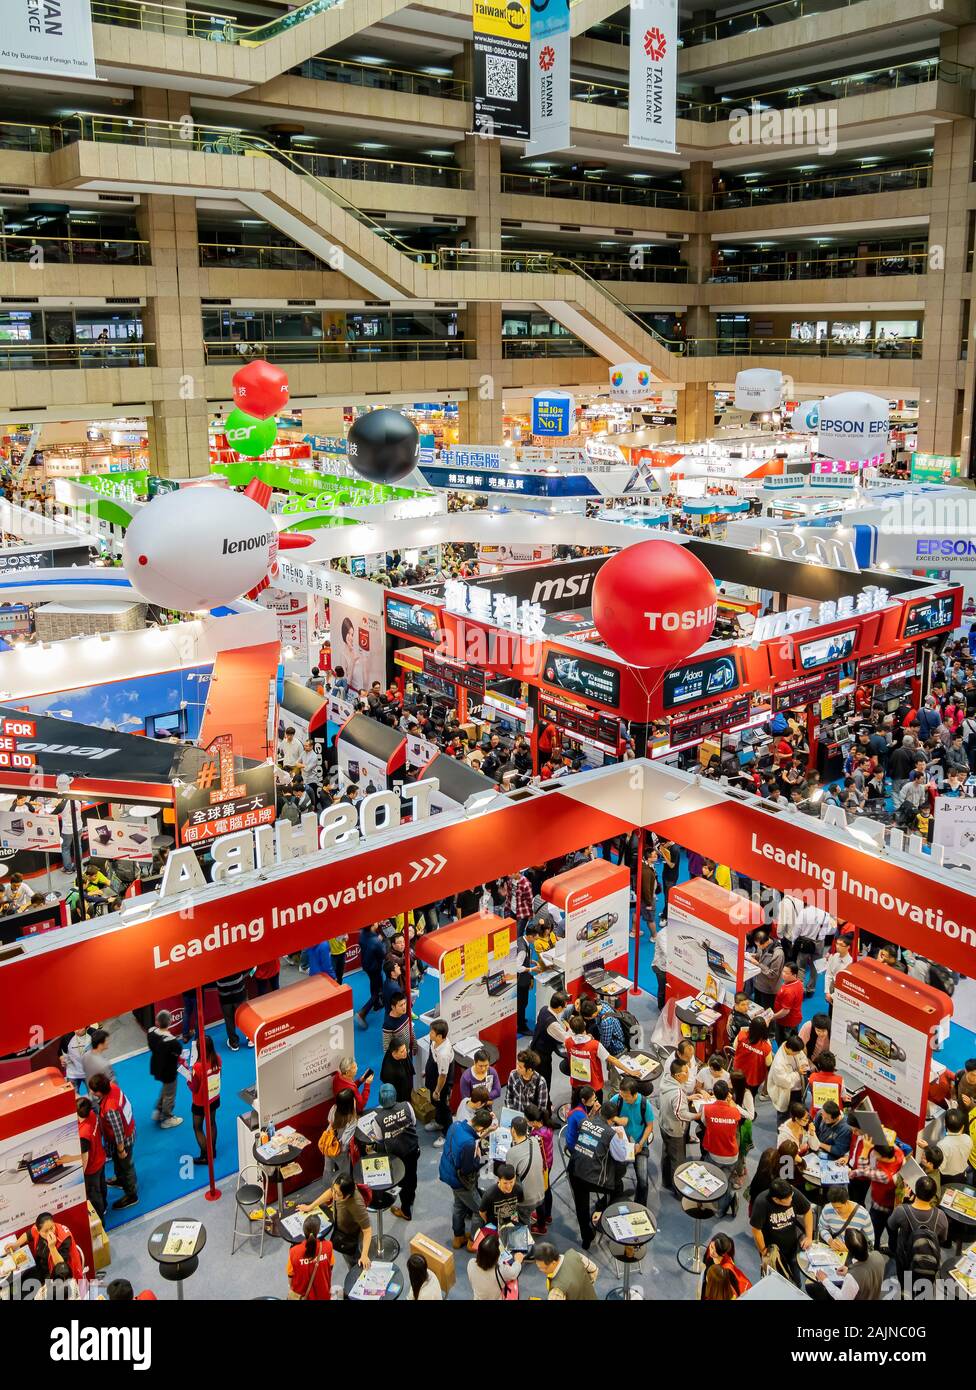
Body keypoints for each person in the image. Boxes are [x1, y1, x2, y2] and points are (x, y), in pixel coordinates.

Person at [567, 1100, 629, 1249]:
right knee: (618, 1187)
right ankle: (603, 1213)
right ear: (613, 1118)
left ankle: (586, 1238)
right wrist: (620, 1138)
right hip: (593, 1178)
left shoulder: (585, 1122)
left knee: (581, 1207)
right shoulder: (611, 1133)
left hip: (574, 1171)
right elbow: (621, 1156)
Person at [439, 1106, 492, 1249]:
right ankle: (473, 1242)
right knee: (479, 1210)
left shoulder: (455, 1125)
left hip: (448, 1172)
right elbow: (468, 1168)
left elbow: (469, 1136)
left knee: (459, 1205)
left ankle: (458, 1237)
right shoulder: (468, 1144)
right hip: (461, 1181)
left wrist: (487, 1131)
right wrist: (478, 1157)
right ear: (480, 1127)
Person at [750, 1177, 814, 1284]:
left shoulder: (791, 1193)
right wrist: (763, 1251)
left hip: (792, 1246)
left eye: (791, 1197)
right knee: (774, 1280)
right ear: (776, 1199)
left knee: (796, 1278)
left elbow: (807, 1210)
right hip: (772, 1250)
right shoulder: (761, 1203)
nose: (791, 1200)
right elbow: (756, 1230)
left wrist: (809, 1236)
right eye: (787, 1199)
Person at [298, 1174, 372, 1267]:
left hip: (351, 1236)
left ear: (347, 1196)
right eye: (334, 1190)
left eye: (337, 1194)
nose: (333, 1195)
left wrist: (364, 1255)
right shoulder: (338, 1188)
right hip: (341, 1228)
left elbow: (367, 1230)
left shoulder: (356, 1205)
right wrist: (310, 1207)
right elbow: (330, 1192)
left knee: (353, 1260)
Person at [88, 1072, 138, 1209]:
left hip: (123, 1140)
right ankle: (120, 1180)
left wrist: (121, 1150)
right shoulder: (112, 1086)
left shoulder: (110, 1108)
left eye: (93, 1090)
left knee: (126, 1165)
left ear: (100, 1091)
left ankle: (131, 1194)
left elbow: (118, 1131)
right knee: (118, 1161)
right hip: (123, 1134)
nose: (91, 1092)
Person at [373, 1082, 420, 1222]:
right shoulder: (407, 1105)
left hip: (397, 1156)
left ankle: (406, 1210)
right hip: (413, 1148)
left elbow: (379, 1140)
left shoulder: (377, 1119)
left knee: (402, 1181)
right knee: (412, 1175)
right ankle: (411, 1197)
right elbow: (414, 1122)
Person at [3, 1212, 84, 1285]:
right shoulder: (36, 1229)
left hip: (63, 1273)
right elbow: (28, 1234)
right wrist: (16, 1244)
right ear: (38, 1231)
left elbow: (61, 1267)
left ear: (53, 1223)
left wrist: (52, 1247)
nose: (50, 1233)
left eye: (52, 1228)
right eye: (45, 1231)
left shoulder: (64, 1238)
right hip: (42, 1267)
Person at [610, 1076, 654, 1206]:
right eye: (621, 1095)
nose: (623, 1098)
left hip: (639, 1145)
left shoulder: (644, 1104)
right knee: (614, 1176)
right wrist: (618, 1120)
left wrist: (640, 1144)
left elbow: (650, 1126)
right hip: (621, 1144)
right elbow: (607, 1115)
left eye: (626, 1096)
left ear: (635, 1094)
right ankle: (615, 1200)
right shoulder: (617, 1099)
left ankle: (639, 1206)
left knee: (643, 1181)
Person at [658, 1056, 698, 1189]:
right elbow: (680, 1114)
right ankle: (679, 1191)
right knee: (678, 1162)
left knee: (666, 1154)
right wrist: (697, 1115)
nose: (688, 1075)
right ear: (678, 1076)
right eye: (686, 1072)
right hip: (675, 1130)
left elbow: (672, 1100)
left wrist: (688, 1098)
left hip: (663, 1124)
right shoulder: (678, 1093)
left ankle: (666, 1182)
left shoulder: (666, 1080)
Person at [858, 1139, 906, 1249]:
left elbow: (862, 1171)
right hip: (894, 1205)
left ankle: (874, 1251)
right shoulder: (899, 1154)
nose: (873, 1153)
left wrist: (865, 1149)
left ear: (882, 1156)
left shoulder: (884, 1175)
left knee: (874, 1233)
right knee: (893, 1232)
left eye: (875, 1152)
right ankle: (893, 1251)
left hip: (880, 1208)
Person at [813, 1229, 886, 1301]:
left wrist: (825, 1280)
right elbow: (869, 1273)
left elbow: (841, 1298)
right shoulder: (878, 1255)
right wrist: (849, 1270)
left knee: (812, 1288)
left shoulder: (852, 1278)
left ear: (849, 1251)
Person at [188, 1034, 221, 1165]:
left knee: (197, 1127)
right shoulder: (217, 1059)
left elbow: (194, 1087)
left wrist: (188, 1078)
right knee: (212, 1123)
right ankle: (212, 1151)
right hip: (214, 1097)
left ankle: (205, 1156)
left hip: (200, 1102)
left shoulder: (197, 1066)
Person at [147, 1010, 183, 1129]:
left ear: (157, 1021)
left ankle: (158, 1110)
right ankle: (167, 1118)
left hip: (156, 1067)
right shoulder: (173, 1042)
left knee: (166, 1089)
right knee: (170, 1094)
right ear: (170, 1022)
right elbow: (178, 1053)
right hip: (169, 1072)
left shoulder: (151, 1032)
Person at [507, 1115, 546, 1226]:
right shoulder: (534, 1140)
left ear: (513, 1130)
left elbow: (509, 1177)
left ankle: (526, 1241)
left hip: (526, 1201)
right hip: (541, 1193)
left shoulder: (512, 1152)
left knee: (523, 1226)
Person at [286, 1215, 334, 1300]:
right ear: (318, 1231)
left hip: (302, 1296)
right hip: (323, 1294)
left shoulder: (294, 1251)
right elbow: (330, 1268)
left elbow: (290, 1276)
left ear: (303, 1231)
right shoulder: (328, 1246)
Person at [530, 989, 570, 1092]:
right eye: (565, 1006)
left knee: (536, 1081)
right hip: (542, 1057)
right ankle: (546, 1104)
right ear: (560, 1008)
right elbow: (566, 1039)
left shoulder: (543, 1010)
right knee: (544, 1082)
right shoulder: (553, 1024)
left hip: (534, 1048)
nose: (565, 1008)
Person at [768, 1033, 811, 1125]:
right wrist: (798, 1073)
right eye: (797, 1052)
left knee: (798, 1113)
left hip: (798, 1089)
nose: (799, 1053)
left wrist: (804, 1065)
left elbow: (803, 1058)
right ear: (790, 1049)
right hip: (786, 1092)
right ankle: (782, 1136)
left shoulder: (793, 1048)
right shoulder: (779, 1063)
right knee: (783, 1115)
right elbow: (784, 1081)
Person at [424, 1018, 455, 1145]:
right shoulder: (435, 1042)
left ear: (440, 1036)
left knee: (443, 1106)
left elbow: (443, 1076)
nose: (429, 1034)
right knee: (436, 1104)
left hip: (442, 1084)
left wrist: (437, 1090)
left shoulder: (444, 1054)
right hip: (433, 1076)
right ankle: (438, 1121)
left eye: (431, 1032)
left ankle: (447, 1132)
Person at [532, 1241, 599, 1300]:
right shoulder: (574, 1254)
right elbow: (594, 1270)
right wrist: (586, 1286)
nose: (540, 1270)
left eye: (543, 1268)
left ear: (553, 1263)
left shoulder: (557, 1290)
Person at [77, 1095, 107, 1219]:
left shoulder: (83, 1134)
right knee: (102, 1185)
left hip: (91, 1169)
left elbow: (85, 1157)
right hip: (100, 1158)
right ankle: (104, 1207)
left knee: (94, 1195)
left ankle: (100, 1218)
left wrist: (81, 1176)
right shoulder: (92, 1114)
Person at [467, 1232, 522, 1300]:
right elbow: (514, 1273)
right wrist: (518, 1261)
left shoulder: (471, 1263)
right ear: (497, 1257)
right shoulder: (501, 1270)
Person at [701, 1233, 751, 1299]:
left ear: (723, 1254)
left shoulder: (727, 1269)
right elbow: (705, 1260)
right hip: (708, 1285)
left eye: (716, 1251)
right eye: (712, 1247)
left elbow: (735, 1289)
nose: (711, 1252)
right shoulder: (713, 1244)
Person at [355, 924, 387, 1028]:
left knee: (375, 984)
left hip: (367, 965)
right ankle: (362, 1013)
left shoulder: (362, 934)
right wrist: (381, 942)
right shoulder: (375, 940)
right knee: (377, 991)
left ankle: (377, 1004)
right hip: (375, 967)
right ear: (373, 925)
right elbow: (383, 953)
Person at [733, 1016, 773, 1097]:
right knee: (751, 1097)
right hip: (753, 1078)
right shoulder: (766, 1047)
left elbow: (734, 1047)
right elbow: (768, 1063)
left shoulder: (741, 1035)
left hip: (738, 1072)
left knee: (737, 1093)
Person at [480, 1164, 525, 1230]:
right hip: (494, 1223)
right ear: (498, 1180)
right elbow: (482, 1212)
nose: (509, 1186)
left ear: (515, 1178)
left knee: (522, 1230)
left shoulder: (519, 1189)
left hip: (509, 1222)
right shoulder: (489, 1194)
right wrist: (487, 1222)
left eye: (511, 1182)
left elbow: (519, 1203)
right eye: (505, 1183)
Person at [505, 1049, 549, 1115]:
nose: (517, 1068)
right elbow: (508, 1097)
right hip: (514, 1115)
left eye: (520, 1067)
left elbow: (542, 1108)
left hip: (531, 1120)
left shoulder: (541, 1083)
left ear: (529, 1070)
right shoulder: (513, 1074)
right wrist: (511, 1113)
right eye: (517, 1064)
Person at [771, 961, 805, 1044]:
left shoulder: (789, 991)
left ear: (794, 975)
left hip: (786, 1023)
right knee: (792, 1042)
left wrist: (772, 1017)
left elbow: (785, 1011)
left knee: (784, 1044)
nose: (783, 974)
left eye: (786, 973)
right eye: (783, 971)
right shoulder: (798, 983)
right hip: (794, 1019)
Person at [515, 923, 540, 1034]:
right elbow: (518, 967)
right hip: (521, 980)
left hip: (523, 979)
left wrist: (531, 961)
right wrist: (532, 969)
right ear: (530, 936)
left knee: (522, 1003)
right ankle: (521, 1027)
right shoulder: (522, 950)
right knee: (522, 1003)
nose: (535, 941)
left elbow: (521, 960)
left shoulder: (521, 939)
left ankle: (520, 1019)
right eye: (535, 938)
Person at [215, 971, 248, 1051]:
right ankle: (250, 1039)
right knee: (245, 1017)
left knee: (229, 1020)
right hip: (239, 995)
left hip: (225, 999)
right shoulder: (235, 961)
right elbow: (248, 970)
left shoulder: (216, 968)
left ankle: (234, 1043)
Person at [380, 1037, 414, 1103]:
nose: (406, 1052)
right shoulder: (389, 1071)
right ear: (394, 1053)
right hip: (399, 1097)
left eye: (405, 1049)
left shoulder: (403, 1055)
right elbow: (391, 1091)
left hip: (406, 1088)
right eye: (402, 1051)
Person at [824, 936, 854, 1007]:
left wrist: (833, 996)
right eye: (837, 944)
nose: (837, 946)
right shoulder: (834, 956)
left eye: (841, 945)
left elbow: (847, 985)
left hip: (841, 994)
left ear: (848, 947)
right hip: (831, 989)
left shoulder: (851, 963)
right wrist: (827, 992)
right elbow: (828, 974)